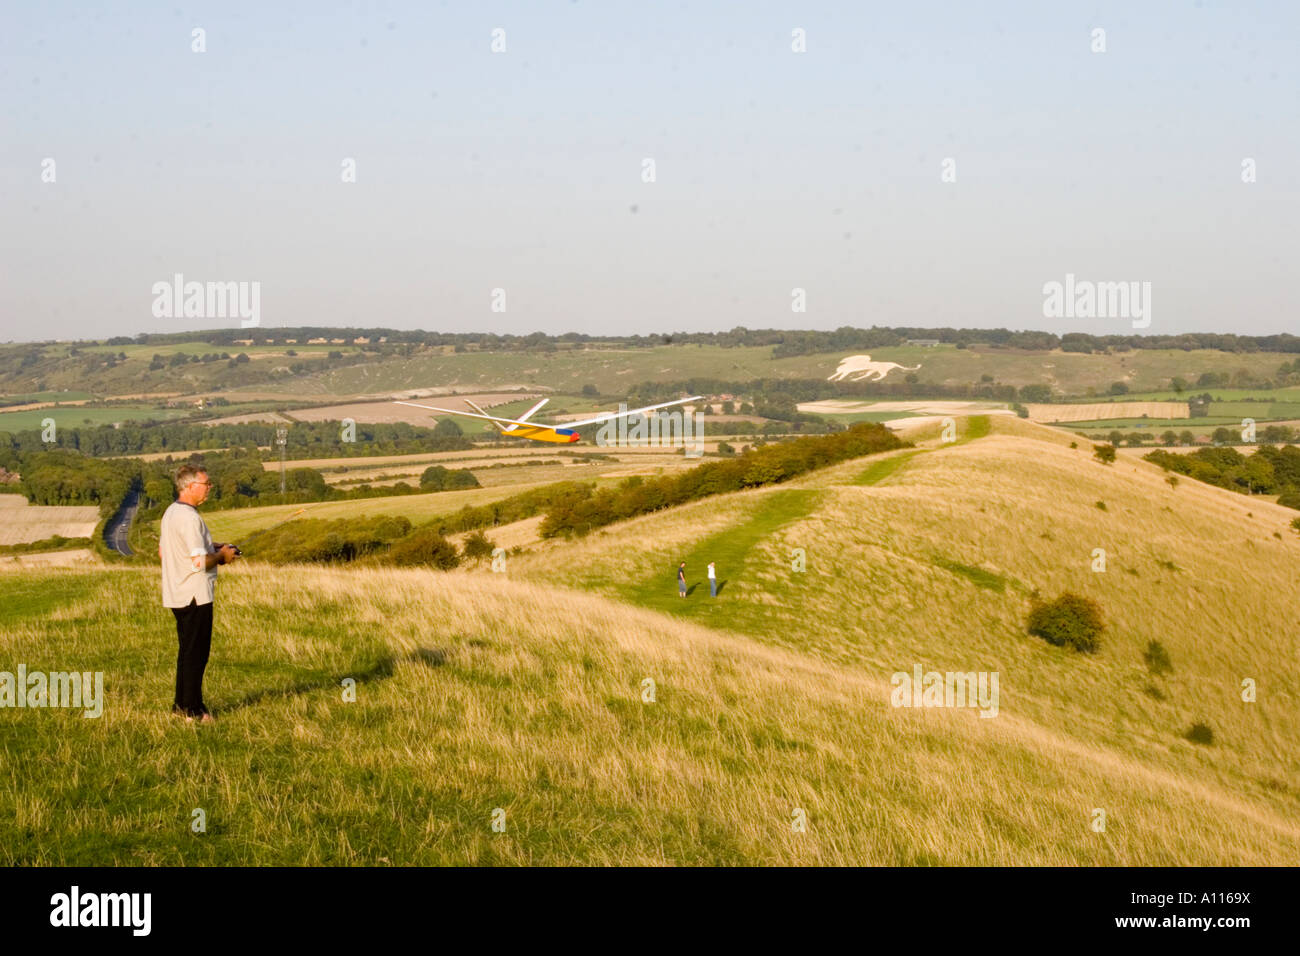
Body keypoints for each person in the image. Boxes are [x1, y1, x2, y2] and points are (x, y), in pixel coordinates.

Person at [159, 464, 237, 723]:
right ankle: (192, 710)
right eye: (206, 484)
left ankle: (182, 706)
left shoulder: (171, 513)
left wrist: (211, 546)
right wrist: (223, 557)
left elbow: (166, 551)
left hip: (177, 592)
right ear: (190, 486)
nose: (209, 488)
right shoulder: (191, 517)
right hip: (195, 594)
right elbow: (199, 562)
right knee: (197, 654)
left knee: (187, 652)